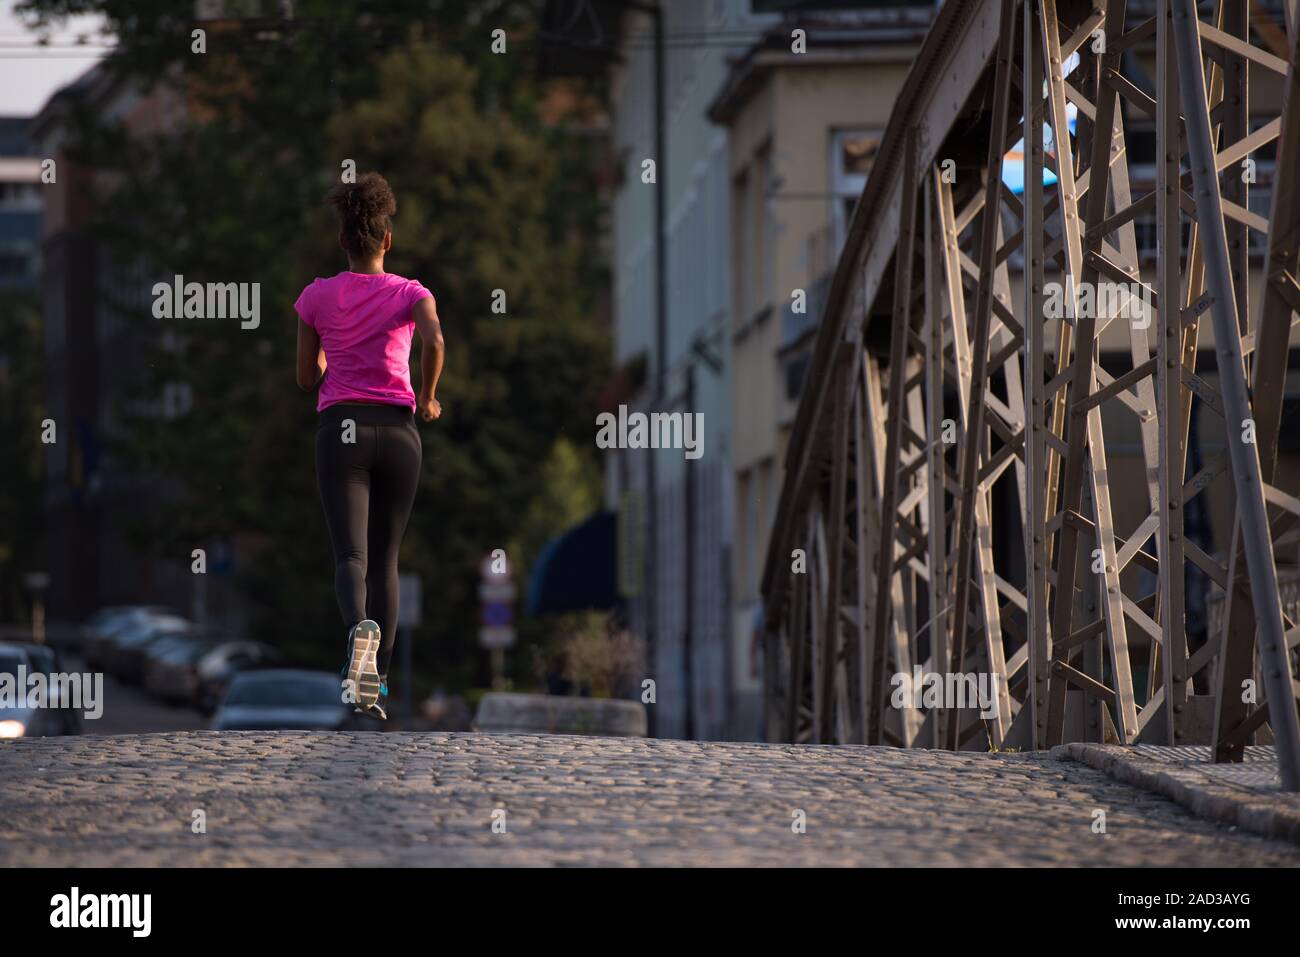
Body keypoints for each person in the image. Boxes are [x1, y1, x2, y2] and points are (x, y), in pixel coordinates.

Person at [294, 172, 444, 720]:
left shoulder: (316, 296)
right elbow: (435, 339)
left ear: (342, 242)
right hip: (400, 432)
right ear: (387, 240)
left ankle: (358, 633)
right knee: (386, 560)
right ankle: (376, 679)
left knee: (350, 556)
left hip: (343, 431)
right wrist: (427, 396)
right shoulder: (411, 293)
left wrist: (332, 353)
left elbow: (306, 380)